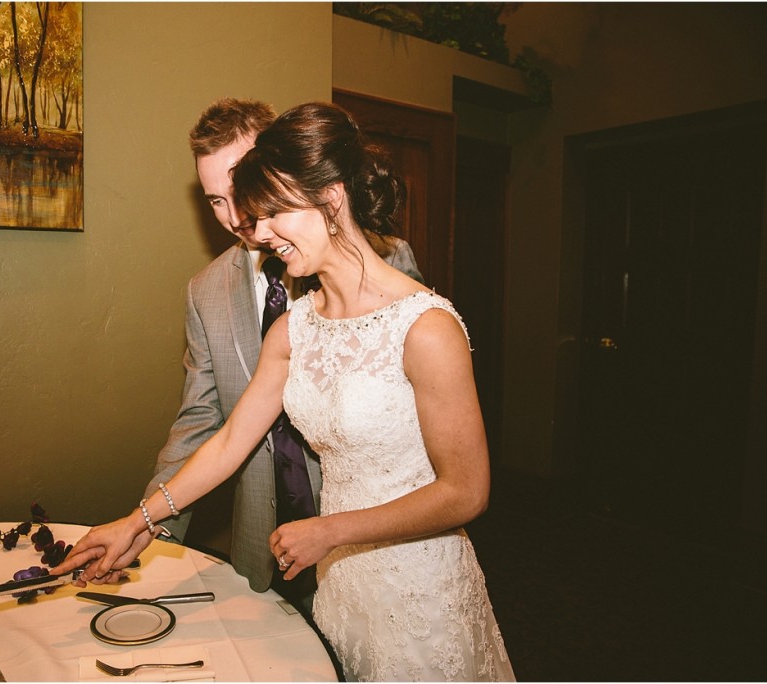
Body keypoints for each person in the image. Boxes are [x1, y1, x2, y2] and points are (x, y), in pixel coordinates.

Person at [54, 101, 513, 681]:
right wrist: (136, 521)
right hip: (340, 584)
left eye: (274, 212)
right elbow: (228, 443)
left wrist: (331, 530)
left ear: (331, 197)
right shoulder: (294, 329)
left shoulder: (426, 327)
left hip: (420, 586)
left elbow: (467, 491)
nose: (259, 231)